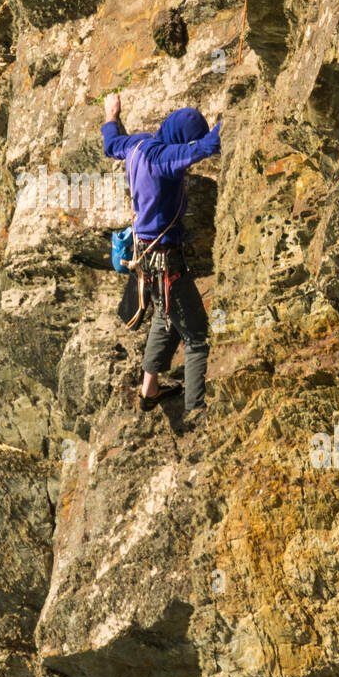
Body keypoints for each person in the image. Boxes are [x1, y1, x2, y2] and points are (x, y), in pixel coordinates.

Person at [101, 91, 221, 426]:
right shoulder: (165, 159)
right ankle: (195, 410)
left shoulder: (137, 146)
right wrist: (230, 123)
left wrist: (112, 114)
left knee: (166, 317)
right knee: (196, 336)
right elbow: (205, 148)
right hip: (167, 262)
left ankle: (149, 391)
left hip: (145, 258)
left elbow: (113, 143)